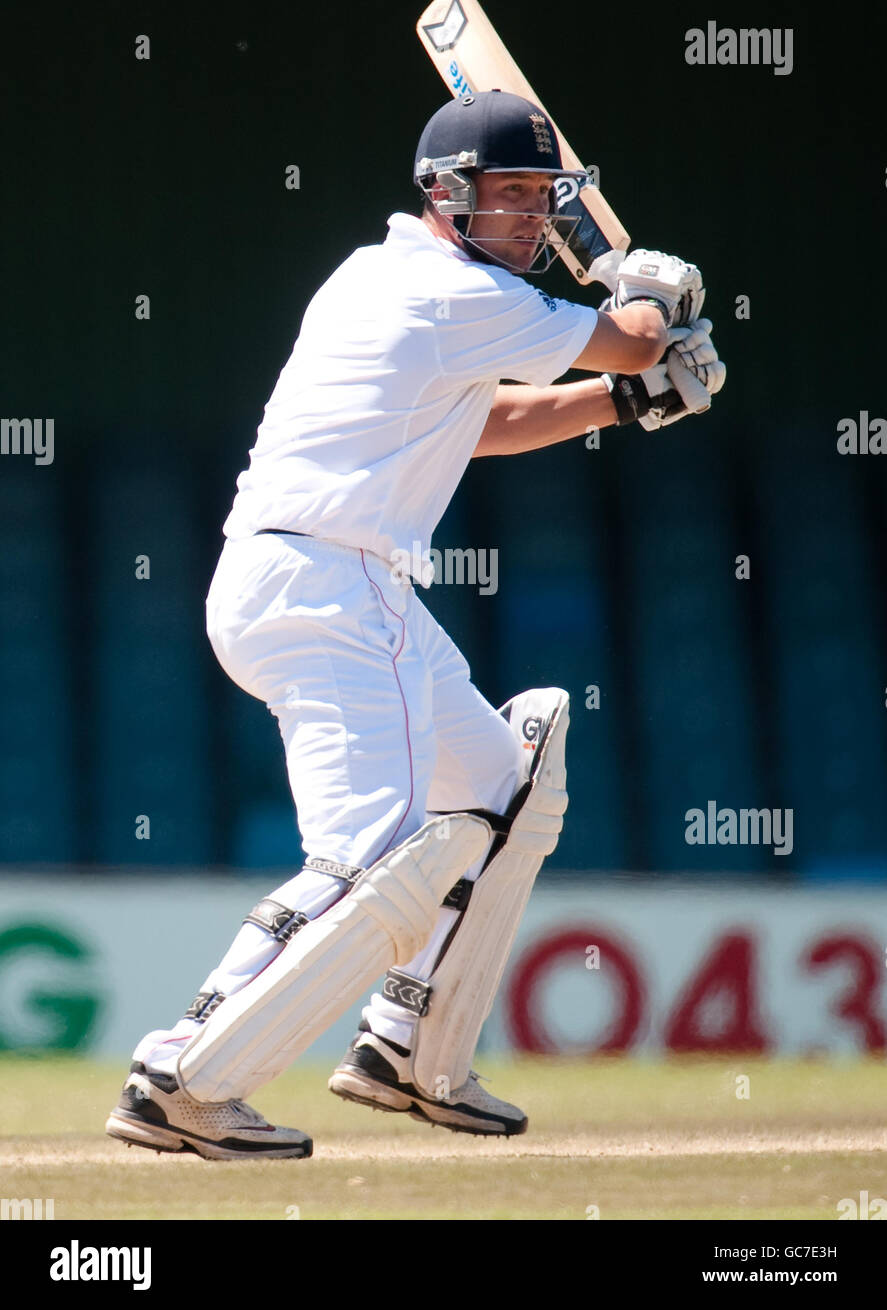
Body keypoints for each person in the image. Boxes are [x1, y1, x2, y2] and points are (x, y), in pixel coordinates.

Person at [106, 91, 724, 1160]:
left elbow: (475, 423)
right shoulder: (453, 292)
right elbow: (625, 339)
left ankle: (409, 1046)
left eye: (543, 197)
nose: (531, 218)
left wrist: (618, 401)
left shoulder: (384, 276)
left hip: (325, 582)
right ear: (446, 196)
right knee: (371, 859)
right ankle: (180, 1074)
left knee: (504, 784)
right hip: (327, 583)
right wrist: (652, 303)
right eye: (512, 196)